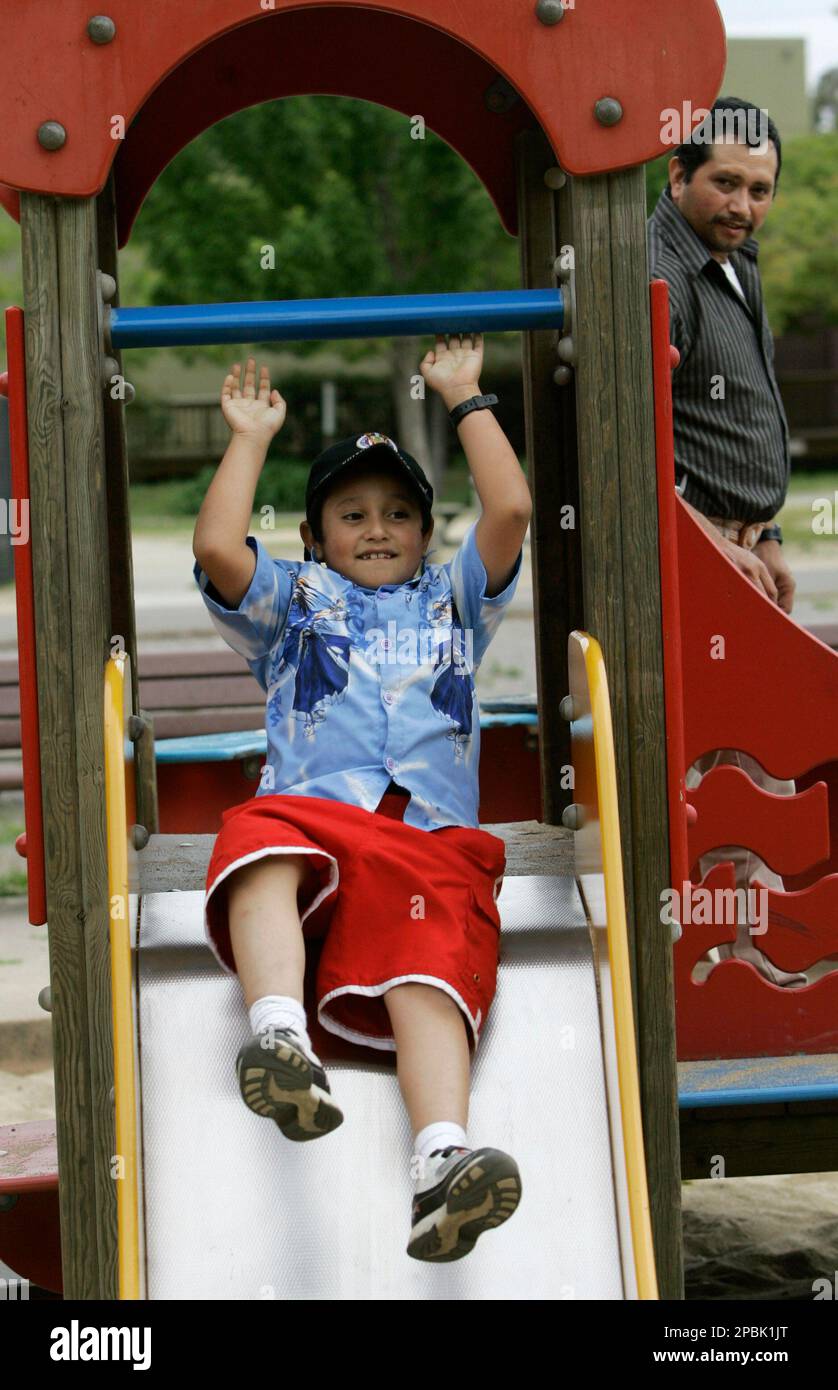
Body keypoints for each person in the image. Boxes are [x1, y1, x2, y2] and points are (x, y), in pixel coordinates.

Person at [192, 335, 531, 1261]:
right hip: (316, 822)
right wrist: (251, 437)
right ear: (313, 537)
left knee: (429, 965)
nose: (376, 528)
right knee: (260, 840)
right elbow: (220, 545)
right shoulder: (292, 604)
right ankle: (280, 1036)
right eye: (350, 514)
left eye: (397, 514)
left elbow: (511, 504)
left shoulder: (455, 601)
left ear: (426, 534)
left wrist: (466, 397)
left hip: (428, 842)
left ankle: (439, 1159)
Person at [647, 96, 807, 987]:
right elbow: (633, 427)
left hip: (746, 551)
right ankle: (712, 969)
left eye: (759, 188)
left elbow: (748, 412)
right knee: (718, 772)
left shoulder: (734, 260)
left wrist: (771, 530)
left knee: (763, 757)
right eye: (724, 183)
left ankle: (754, 951)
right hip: (694, 557)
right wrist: (709, 536)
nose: (743, 204)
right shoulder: (657, 269)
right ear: (676, 176)